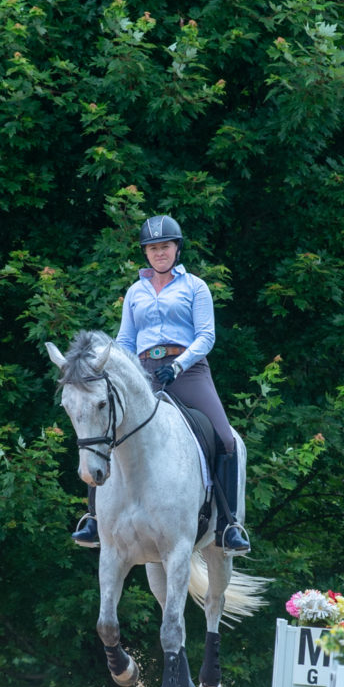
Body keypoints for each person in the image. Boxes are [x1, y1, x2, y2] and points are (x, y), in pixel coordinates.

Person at [72, 214, 251, 553]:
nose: (159, 253)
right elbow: (125, 339)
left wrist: (179, 365)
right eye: (153, 248)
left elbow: (206, 335)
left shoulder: (195, 287)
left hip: (190, 370)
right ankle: (94, 518)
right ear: (146, 253)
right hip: (142, 374)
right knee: (105, 427)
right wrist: (117, 369)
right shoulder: (134, 292)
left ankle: (228, 525)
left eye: (165, 246)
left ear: (176, 248)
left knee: (225, 438)